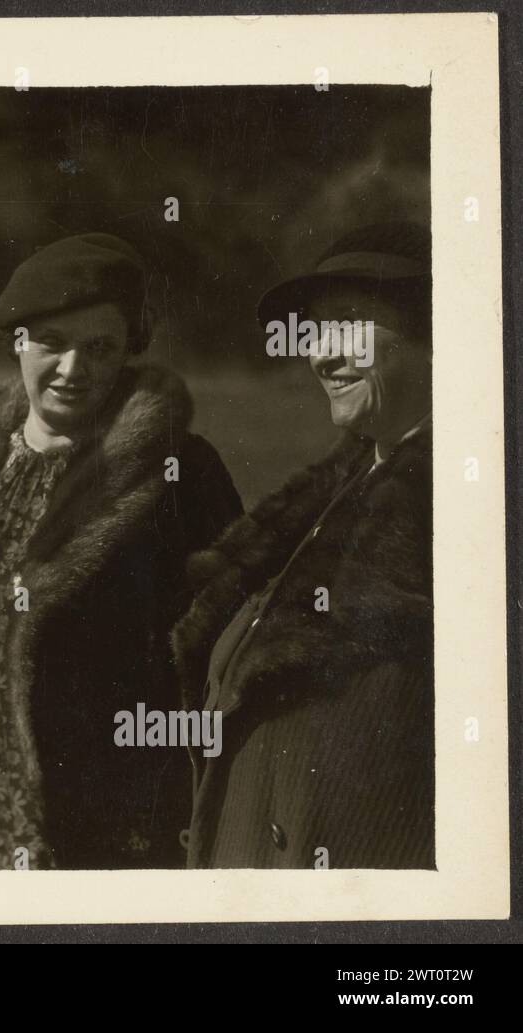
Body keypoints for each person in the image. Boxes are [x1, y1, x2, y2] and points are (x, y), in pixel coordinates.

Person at [0, 233, 243, 870]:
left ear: (127, 353)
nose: (73, 369)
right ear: (18, 342)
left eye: (100, 348)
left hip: (110, 833)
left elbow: (226, 652)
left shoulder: (177, 474)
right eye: (52, 343)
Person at [172, 221, 434, 869]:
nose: (321, 355)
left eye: (348, 324)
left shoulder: (466, 501)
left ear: (437, 334)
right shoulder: (338, 488)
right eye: (315, 332)